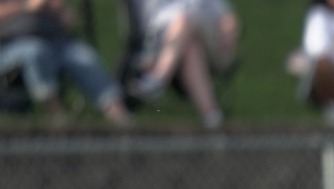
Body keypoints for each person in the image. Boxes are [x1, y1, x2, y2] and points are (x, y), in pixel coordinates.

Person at [0, 0, 132, 126]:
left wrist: (55, 9)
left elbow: (69, 21)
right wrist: (26, 7)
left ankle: (119, 116)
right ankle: (57, 116)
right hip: (13, 45)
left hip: (56, 43)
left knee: (83, 56)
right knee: (36, 52)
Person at [127, 0, 235, 128]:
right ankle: (211, 116)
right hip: (164, 42)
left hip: (209, 42)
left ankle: (157, 79)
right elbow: (146, 28)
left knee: (184, 20)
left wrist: (228, 33)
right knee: (190, 47)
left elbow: (227, 19)